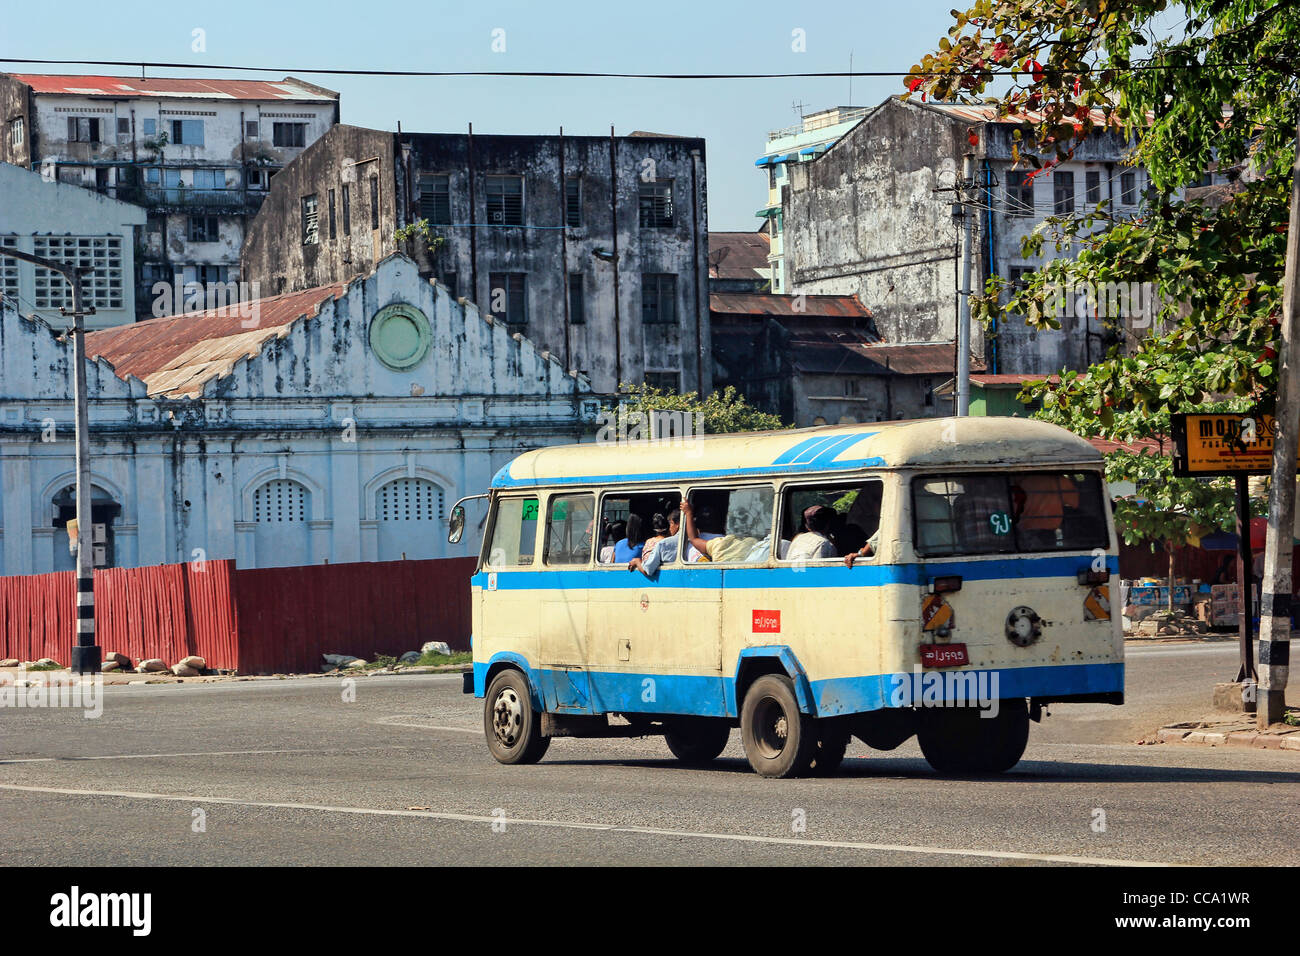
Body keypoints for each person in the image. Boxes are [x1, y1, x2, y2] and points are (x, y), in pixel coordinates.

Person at [629, 509, 681, 577]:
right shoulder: (689, 540)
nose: (670, 527)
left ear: (677, 524)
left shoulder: (662, 544)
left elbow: (647, 570)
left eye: (671, 523)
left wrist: (637, 561)